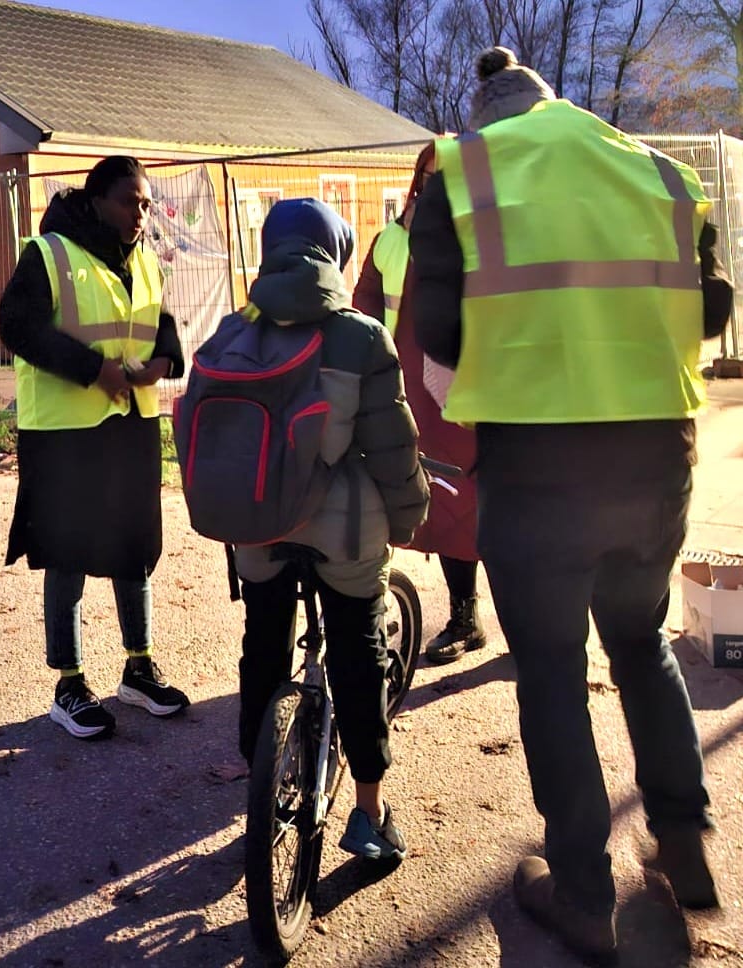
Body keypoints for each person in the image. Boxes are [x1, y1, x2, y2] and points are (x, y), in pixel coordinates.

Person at [410, 47, 732, 963]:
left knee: (551, 669)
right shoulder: (659, 173)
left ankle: (585, 892)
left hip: (539, 459)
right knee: (641, 642)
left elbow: (440, 330)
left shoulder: (464, 173)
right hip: (656, 452)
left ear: (484, 117)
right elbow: (712, 309)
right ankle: (681, 841)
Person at [233, 198, 429, 860]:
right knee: (356, 651)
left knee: (263, 644)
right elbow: (393, 452)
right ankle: (369, 814)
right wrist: (407, 519)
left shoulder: (235, 331)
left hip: (257, 527)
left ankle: (259, 787)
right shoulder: (362, 337)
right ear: (337, 252)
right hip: (343, 533)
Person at [0, 155, 190, 741]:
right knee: (69, 554)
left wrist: (167, 359)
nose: (143, 213)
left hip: (130, 424)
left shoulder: (145, 258)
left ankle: (138, 668)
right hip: (64, 431)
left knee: (133, 549)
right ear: (97, 199)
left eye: (148, 203)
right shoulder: (49, 253)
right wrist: (93, 371)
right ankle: (69, 683)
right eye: (133, 201)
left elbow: (161, 323)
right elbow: (17, 327)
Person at [353, 140, 486, 665]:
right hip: (410, 391)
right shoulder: (392, 240)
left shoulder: (484, 240)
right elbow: (364, 303)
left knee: (490, 507)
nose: (433, 186)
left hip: (473, 389)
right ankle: (464, 615)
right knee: (445, 505)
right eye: (426, 176)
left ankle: (527, 624)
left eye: (446, 176)